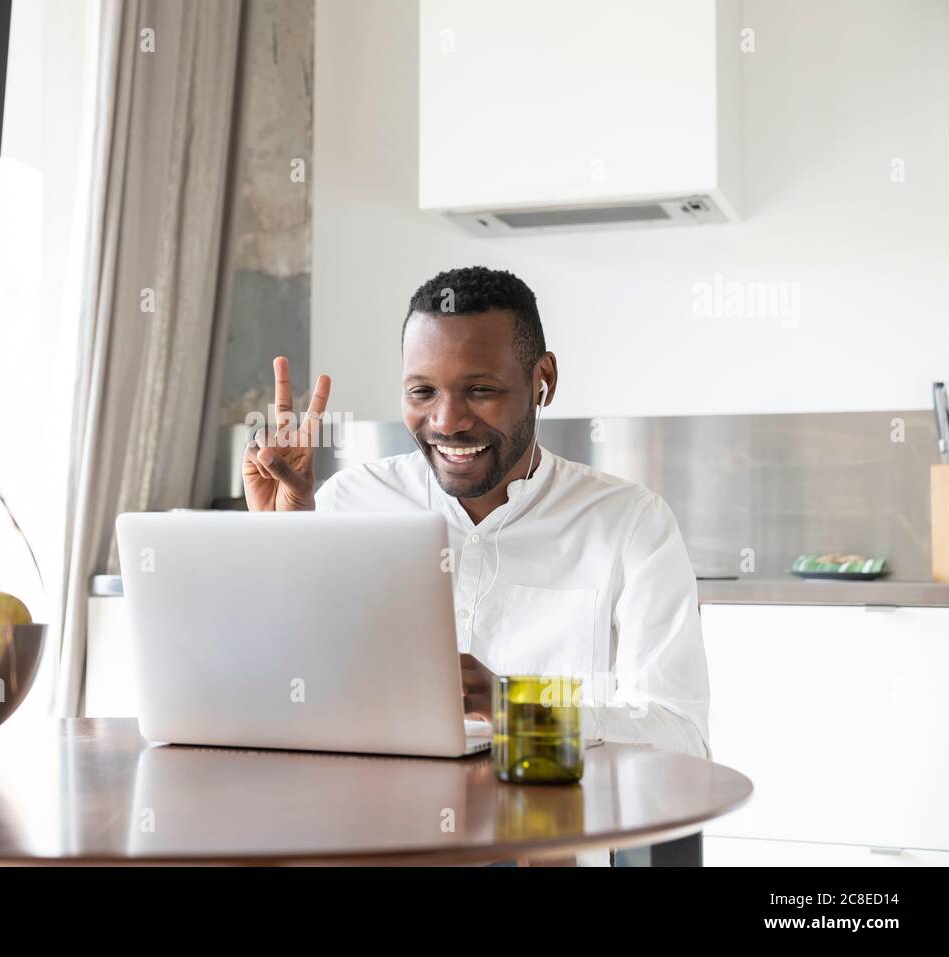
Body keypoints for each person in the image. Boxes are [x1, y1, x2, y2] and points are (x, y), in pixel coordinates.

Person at [241, 265, 711, 773]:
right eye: (423, 392)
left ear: (543, 381)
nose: (447, 422)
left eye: (481, 390)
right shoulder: (348, 503)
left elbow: (682, 739)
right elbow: (281, 705)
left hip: (547, 841)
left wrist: (517, 709)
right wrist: (278, 547)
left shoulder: (630, 525)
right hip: (375, 829)